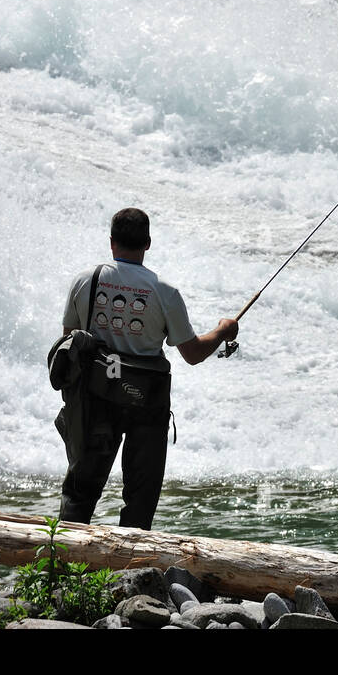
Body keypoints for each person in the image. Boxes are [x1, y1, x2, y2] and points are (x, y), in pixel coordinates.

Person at [57, 207, 238, 529]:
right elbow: (193, 353)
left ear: (112, 242)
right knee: (141, 498)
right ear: (148, 243)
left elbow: (70, 339)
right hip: (147, 400)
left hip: (94, 398)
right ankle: (131, 574)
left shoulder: (86, 280)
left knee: (80, 494)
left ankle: (61, 570)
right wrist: (223, 330)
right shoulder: (164, 291)